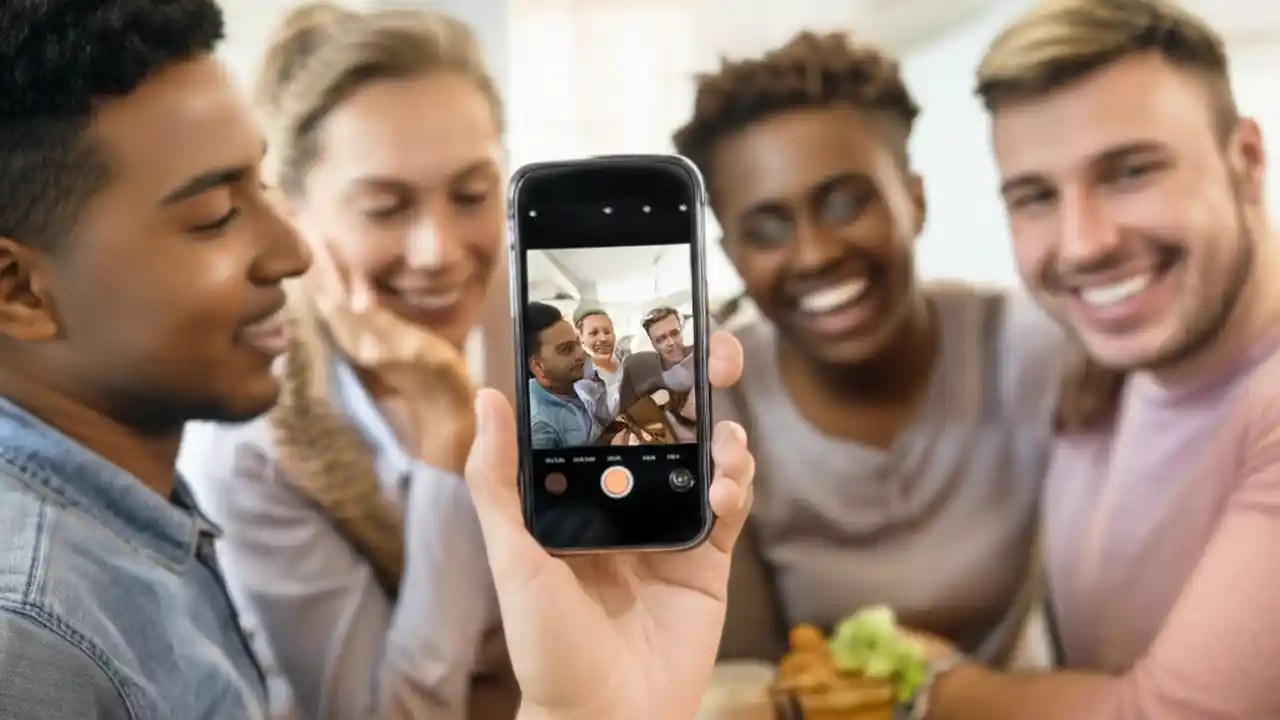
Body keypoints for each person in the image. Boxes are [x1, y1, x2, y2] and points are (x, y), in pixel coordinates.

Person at [0, 2, 757, 720]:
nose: (438, 251)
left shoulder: (524, 311)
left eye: (471, 193)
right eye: (216, 215)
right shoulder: (46, 625)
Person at [907, 1, 1280, 718]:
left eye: (1131, 171)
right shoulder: (1116, 353)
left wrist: (929, 683)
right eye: (1035, 196)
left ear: (1248, 161)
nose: (1082, 245)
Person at [672, 31, 1065, 664]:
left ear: (914, 198)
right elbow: (739, 680)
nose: (817, 253)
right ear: (730, 256)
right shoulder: (713, 406)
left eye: (847, 202)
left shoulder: (1030, 350)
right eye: (766, 230)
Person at [176, 6, 517, 718]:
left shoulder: (544, 326)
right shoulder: (252, 441)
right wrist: (446, 426)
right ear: (293, 213)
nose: (440, 251)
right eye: (387, 208)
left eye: (472, 195)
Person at [526, 302, 605, 449]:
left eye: (578, 343)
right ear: (538, 366)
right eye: (566, 350)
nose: (581, 354)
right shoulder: (540, 427)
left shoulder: (573, 380)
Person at [574, 307, 623, 412]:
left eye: (607, 332)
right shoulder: (581, 379)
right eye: (594, 333)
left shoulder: (626, 363)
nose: (603, 338)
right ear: (581, 339)